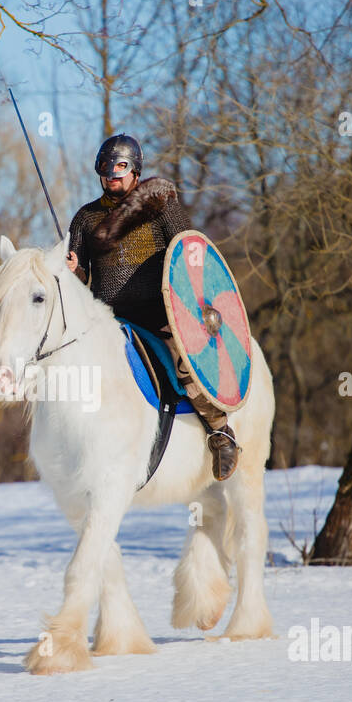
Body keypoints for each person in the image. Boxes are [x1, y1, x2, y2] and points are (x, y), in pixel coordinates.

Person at [66, 134, 239, 480]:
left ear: (134, 171)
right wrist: (74, 270)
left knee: (184, 361)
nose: (113, 179)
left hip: (161, 313)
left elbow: (191, 258)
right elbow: (78, 283)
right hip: (108, 317)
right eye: (108, 173)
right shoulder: (85, 220)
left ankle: (220, 432)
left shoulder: (161, 210)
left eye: (119, 172)